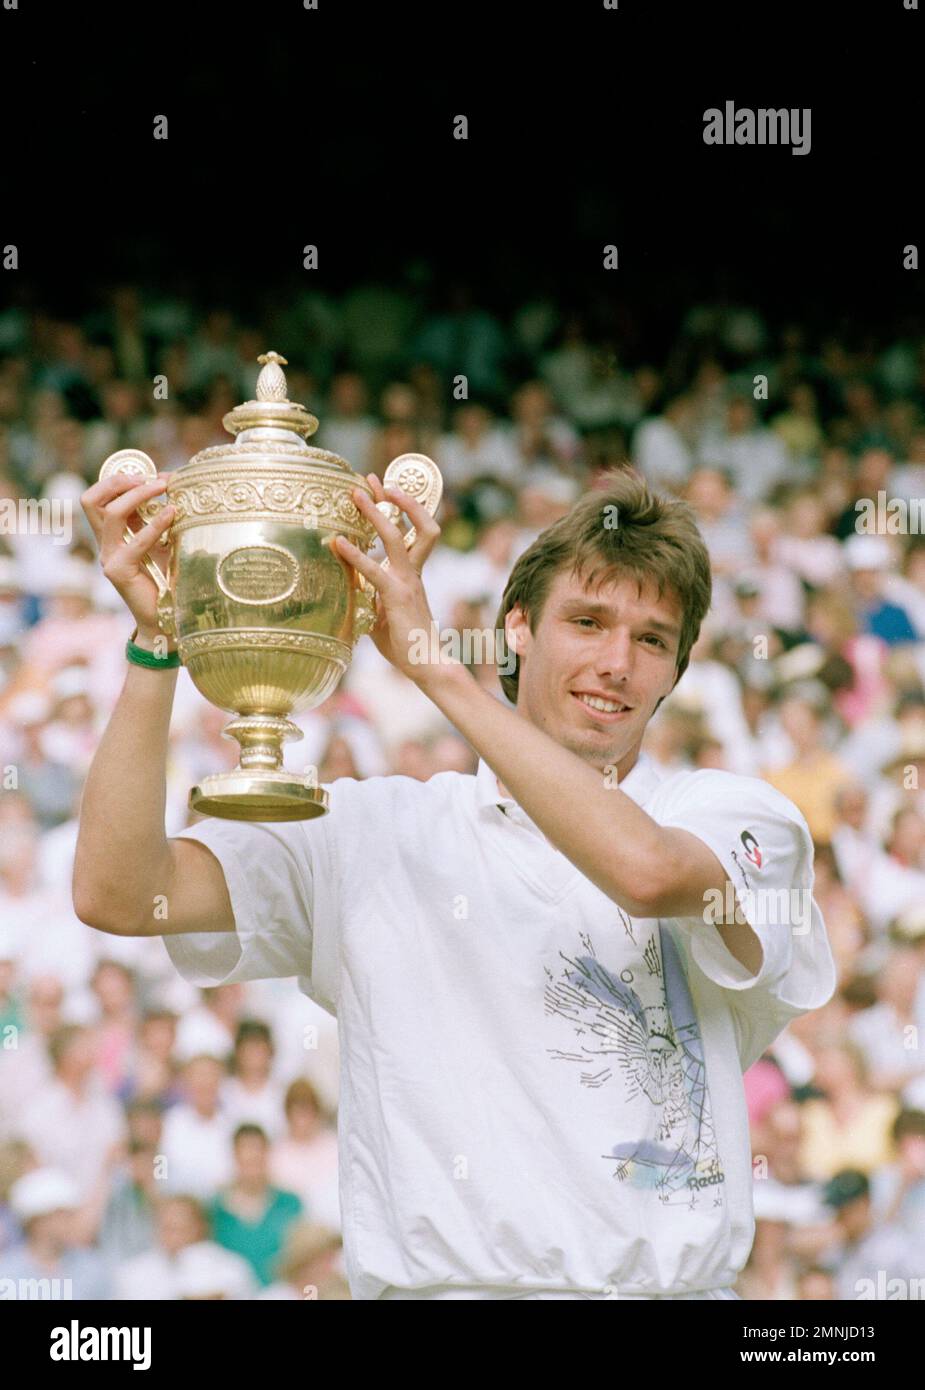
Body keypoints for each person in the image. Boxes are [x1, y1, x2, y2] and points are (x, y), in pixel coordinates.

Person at [73, 463, 836, 1300]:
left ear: (676, 670)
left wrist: (434, 669)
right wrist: (156, 645)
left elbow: (645, 873)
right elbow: (118, 894)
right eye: (587, 622)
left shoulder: (733, 815)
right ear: (516, 629)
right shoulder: (368, 830)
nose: (617, 662)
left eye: (651, 639)